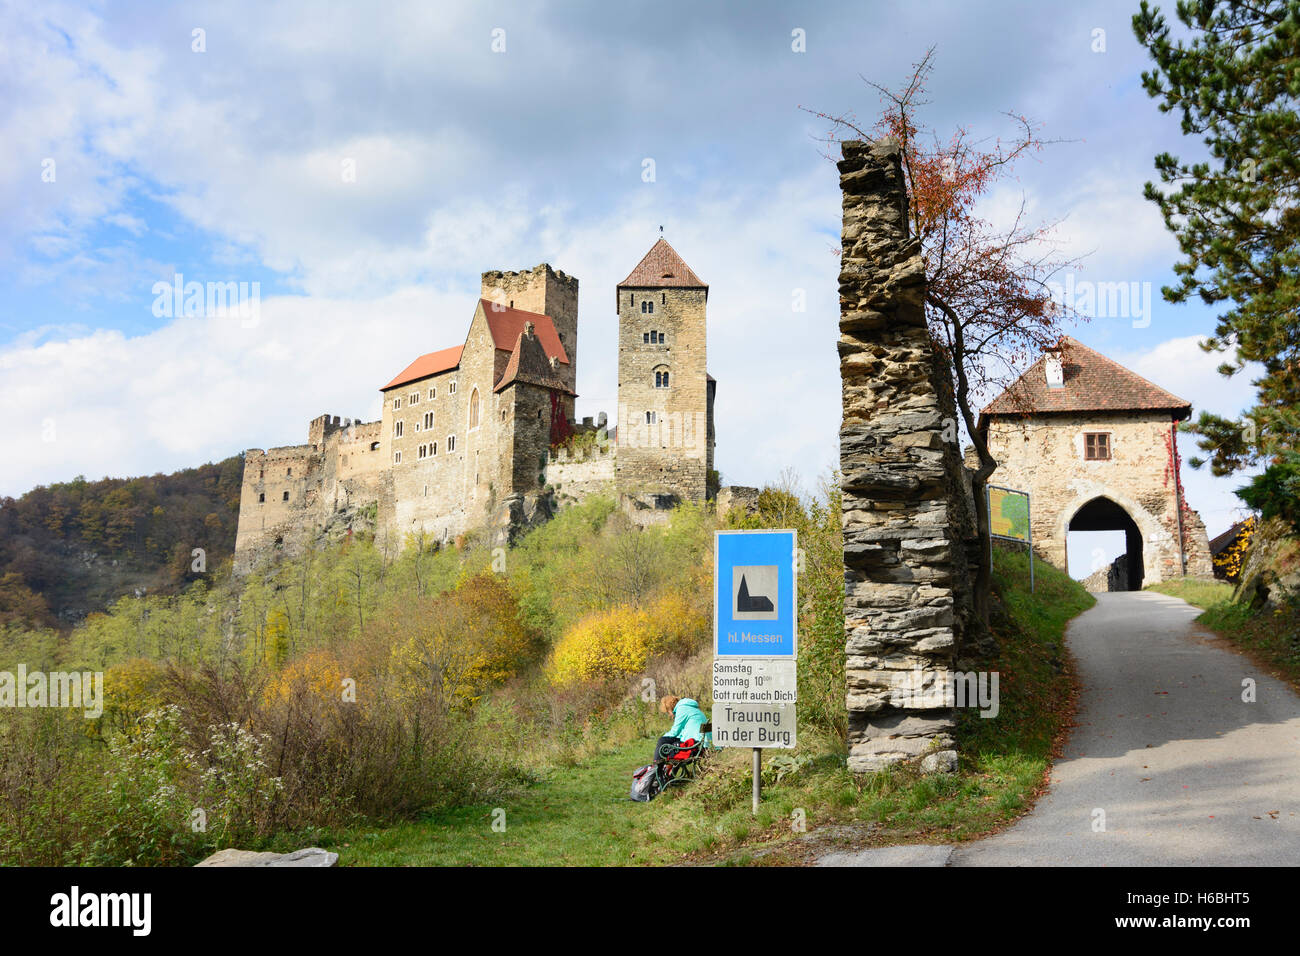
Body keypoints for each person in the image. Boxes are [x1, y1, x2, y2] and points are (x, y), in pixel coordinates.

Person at [653, 695, 711, 764]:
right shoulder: (692, 708)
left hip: (696, 744)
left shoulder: (682, 709)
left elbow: (675, 732)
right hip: (704, 743)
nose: (669, 714)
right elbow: (682, 732)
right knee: (673, 745)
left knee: (662, 741)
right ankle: (665, 772)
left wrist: (663, 737)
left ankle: (655, 767)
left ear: (670, 707)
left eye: (668, 711)